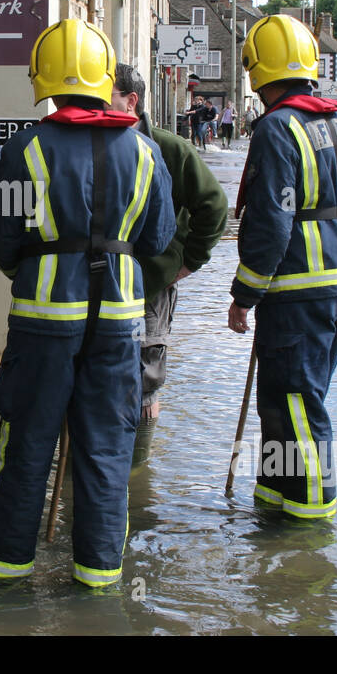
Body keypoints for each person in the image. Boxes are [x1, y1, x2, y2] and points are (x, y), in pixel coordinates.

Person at [0, 19, 174, 587]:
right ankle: (99, 578)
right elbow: (158, 240)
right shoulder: (145, 149)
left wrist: (36, 268)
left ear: (46, 80)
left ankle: (2, 571)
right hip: (120, 322)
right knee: (108, 448)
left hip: (44, 320)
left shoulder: (25, 147)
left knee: (24, 445)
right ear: (103, 77)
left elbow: (4, 237)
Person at [226, 14, 337, 519]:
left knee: (297, 404)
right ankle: (275, 501)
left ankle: (312, 524)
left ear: (258, 73)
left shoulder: (275, 128)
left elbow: (271, 224)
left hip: (296, 289)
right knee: (282, 401)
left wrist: (243, 295)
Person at [110, 64, 227, 465]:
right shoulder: (90, 142)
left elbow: (213, 206)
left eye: (106, 92)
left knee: (145, 374)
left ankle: (137, 471)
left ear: (131, 100)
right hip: (97, 283)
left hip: (151, 284)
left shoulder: (170, 148)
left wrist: (189, 261)